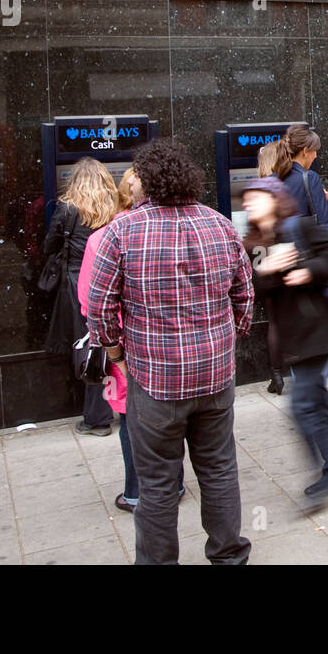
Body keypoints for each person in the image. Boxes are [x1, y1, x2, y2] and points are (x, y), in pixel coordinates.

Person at [86, 138, 253, 565]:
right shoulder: (219, 224)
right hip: (215, 377)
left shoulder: (121, 232)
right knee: (218, 469)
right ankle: (229, 556)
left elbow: (100, 307)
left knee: (157, 484)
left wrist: (118, 355)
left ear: (145, 180)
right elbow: (244, 297)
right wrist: (225, 341)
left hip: (154, 384)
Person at [77, 167, 183, 514]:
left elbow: (90, 302)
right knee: (170, 416)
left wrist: (114, 351)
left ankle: (137, 492)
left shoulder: (104, 238)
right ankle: (175, 483)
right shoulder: (182, 229)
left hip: (127, 345)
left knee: (131, 418)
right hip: (174, 344)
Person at [242, 176, 328, 503]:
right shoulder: (255, 243)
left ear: (275, 200)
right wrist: (265, 271)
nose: (249, 204)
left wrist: (308, 270)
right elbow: (253, 291)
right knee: (316, 402)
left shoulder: (299, 227)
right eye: (246, 200)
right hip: (292, 336)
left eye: (256, 198)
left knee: (303, 404)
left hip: (317, 330)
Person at [45, 157, 118, 436]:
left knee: (90, 347)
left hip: (79, 282)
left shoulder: (66, 209)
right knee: (116, 341)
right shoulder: (114, 205)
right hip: (112, 276)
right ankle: (122, 406)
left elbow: (49, 244)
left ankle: (97, 418)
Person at [257, 141, 287, 393]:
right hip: (284, 257)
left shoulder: (255, 188)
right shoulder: (284, 187)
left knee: (274, 321)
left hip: (262, 261)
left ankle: (276, 375)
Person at [273, 124, 328, 233]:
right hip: (304, 247)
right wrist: (322, 202)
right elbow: (325, 225)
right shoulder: (310, 178)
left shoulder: (271, 180)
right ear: (305, 151)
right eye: (315, 150)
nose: (315, 155)